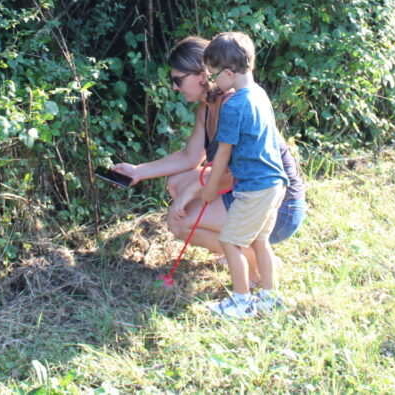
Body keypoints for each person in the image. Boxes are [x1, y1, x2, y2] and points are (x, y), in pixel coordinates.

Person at [111, 35, 306, 299]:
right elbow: (190, 157)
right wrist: (137, 172)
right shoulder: (207, 106)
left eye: (178, 80)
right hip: (251, 191)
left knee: (180, 221)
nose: (174, 87)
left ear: (202, 75)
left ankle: (255, 262)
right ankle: (240, 250)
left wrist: (192, 192)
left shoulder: (233, 104)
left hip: (279, 206)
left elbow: (233, 171)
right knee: (176, 182)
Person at [197, 32, 286, 318]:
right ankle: (270, 298)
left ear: (228, 73)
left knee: (230, 242)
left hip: (255, 187)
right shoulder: (259, 93)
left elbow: (223, 152)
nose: (213, 82)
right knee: (260, 241)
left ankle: (241, 301)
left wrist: (210, 188)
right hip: (275, 183)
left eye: (214, 76)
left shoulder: (234, 104)